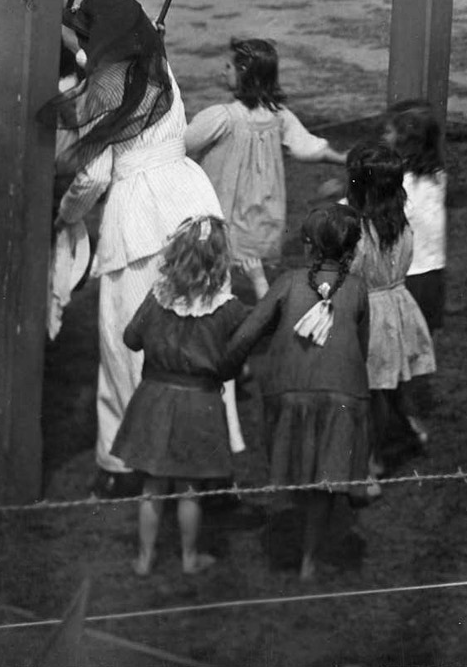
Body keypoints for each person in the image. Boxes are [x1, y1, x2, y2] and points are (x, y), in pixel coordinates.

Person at [51, 0, 230, 490]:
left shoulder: (106, 93)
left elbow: (90, 180)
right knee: (200, 327)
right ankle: (207, 458)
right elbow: (98, 52)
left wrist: (65, 219)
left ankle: (126, 465)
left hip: (139, 218)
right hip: (192, 199)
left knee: (123, 341)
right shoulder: (158, 68)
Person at [224, 203, 372, 580]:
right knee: (325, 480)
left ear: (308, 247)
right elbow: (362, 349)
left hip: (287, 392)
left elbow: (245, 335)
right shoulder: (357, 289)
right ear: (352, 252)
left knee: (296, 461)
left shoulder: (289, 281)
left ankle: (290, 533)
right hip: (343, 394)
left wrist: (220, 370)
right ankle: (309, 559)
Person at [114, 216, 249, 576]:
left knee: (152, 484)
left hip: (155, 397)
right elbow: (238, 355)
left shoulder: (159, 297)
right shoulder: (227, 307)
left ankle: (144, 560)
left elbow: (131, 339)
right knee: (189, 486)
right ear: (220, 259)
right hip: (198, 402)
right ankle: (189, 558)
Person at [185, 38, 348, 300]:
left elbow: (183, 141)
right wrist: (341, 158)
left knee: (216, 270)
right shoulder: (279, 114)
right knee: (253, 269)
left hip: (227, 210)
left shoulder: (223, 116)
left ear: (244, 73)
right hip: (264, 215)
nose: (222, 71)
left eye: (229, 67)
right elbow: (307, 147)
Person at [345, 145, 436, 475]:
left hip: (371, 312)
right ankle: (413, 429)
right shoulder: (401, 225)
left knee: (373, 390)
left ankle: (371, 458)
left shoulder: (360, 232)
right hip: (398, 306)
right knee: (394, 381)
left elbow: (353, 270)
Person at [383, 100, 449, 333]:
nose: (385, 137)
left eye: (389, 131)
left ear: (405, 141)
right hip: (433, 275)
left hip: (405, 277)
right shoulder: (438, 177)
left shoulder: (398, 184)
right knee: (422, 346)